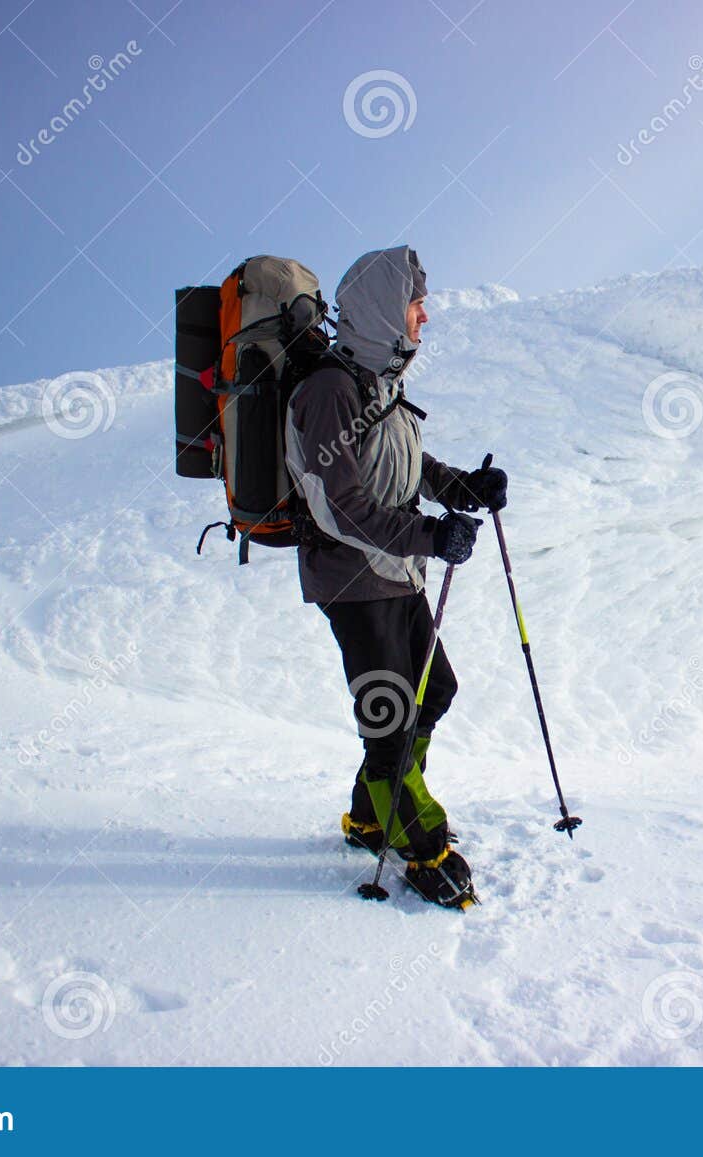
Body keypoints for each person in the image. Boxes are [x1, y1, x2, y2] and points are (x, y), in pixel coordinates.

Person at [284, 245, 507, 905]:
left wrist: (462, 488)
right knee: (390, 719)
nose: (424, 317)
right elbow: (340, 506)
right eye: (416, 305)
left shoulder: (379, 384)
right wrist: (430, 536)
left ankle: (370, 815)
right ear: (385, 311)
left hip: (395, 572)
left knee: (433, 690)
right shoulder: (328, 390)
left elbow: (407, 458)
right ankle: (422, 847)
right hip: (355, 580)